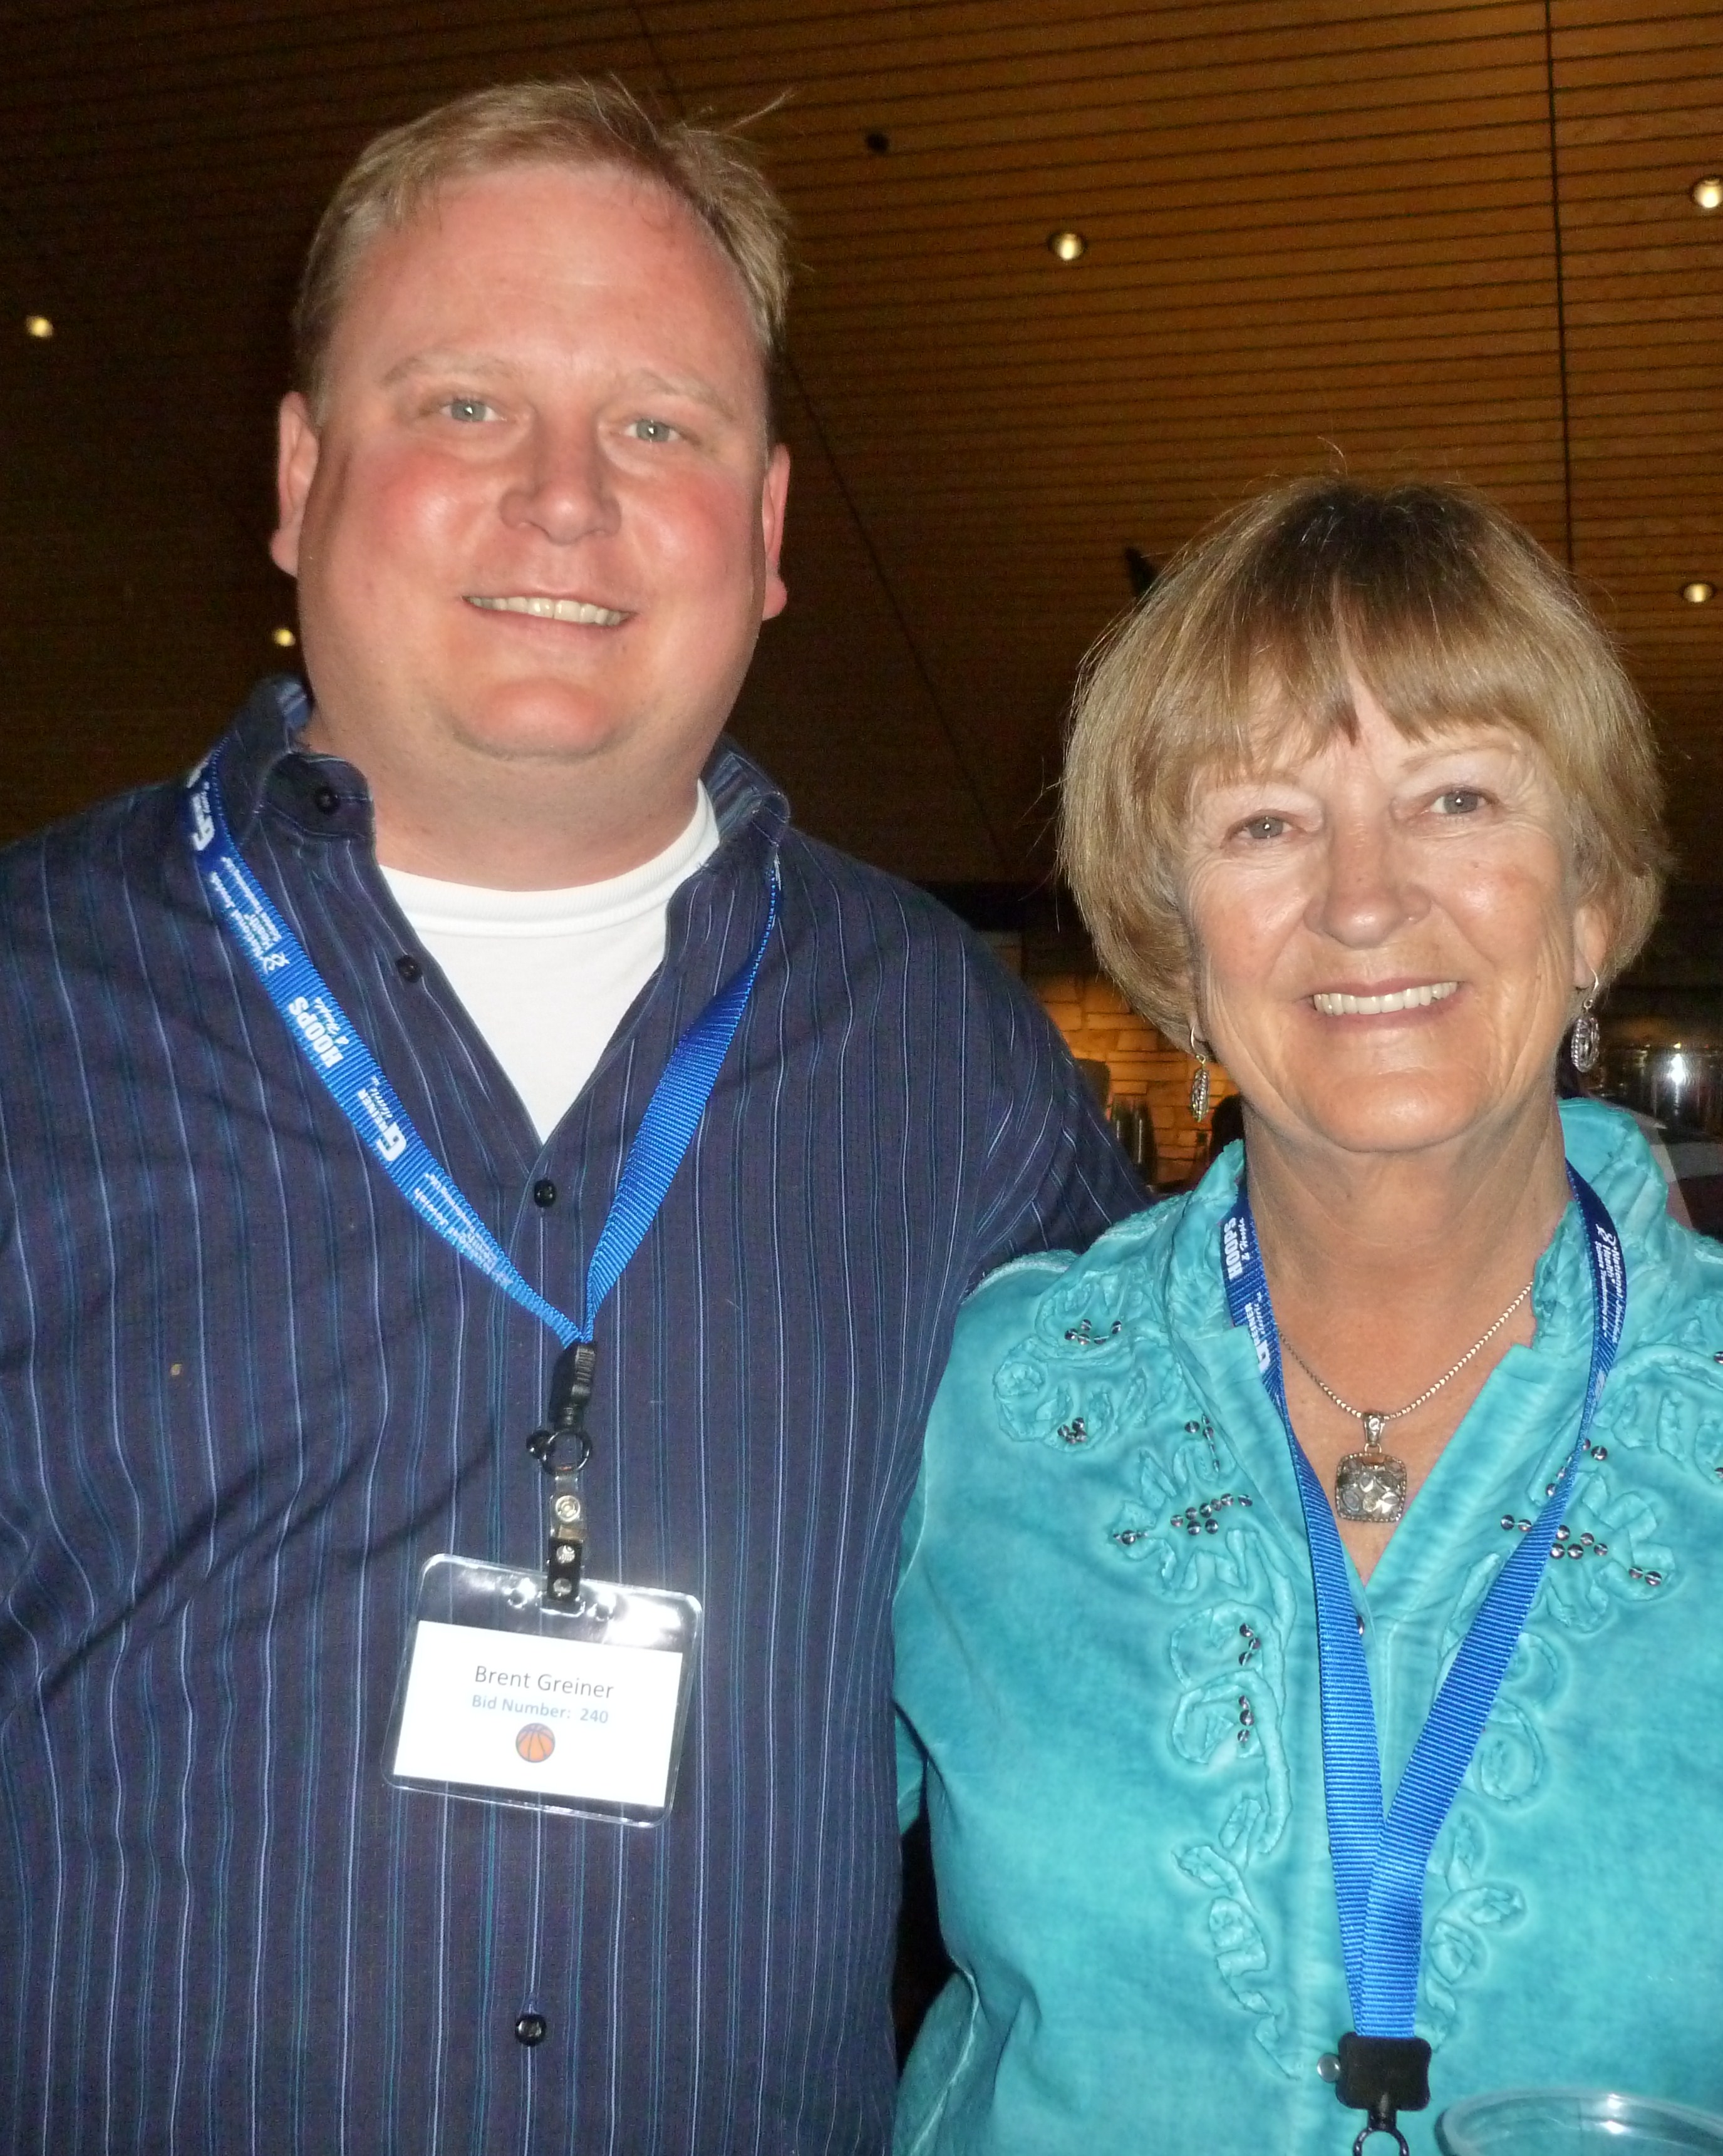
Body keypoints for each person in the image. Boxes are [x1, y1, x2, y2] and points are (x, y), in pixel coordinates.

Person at [0, 81, 1142, 2155]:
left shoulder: (957, 1066)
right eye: (459, 405)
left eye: (657, 425)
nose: (560, 499)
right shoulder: (21, 1017)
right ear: (295, 474)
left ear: (774, 528)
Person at [894, 478, 1723, 2153]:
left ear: (1589, 908)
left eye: (1459, 795)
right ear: (1177, 947)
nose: (1364, 897)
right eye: (1266, 820)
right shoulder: (987, 1395)